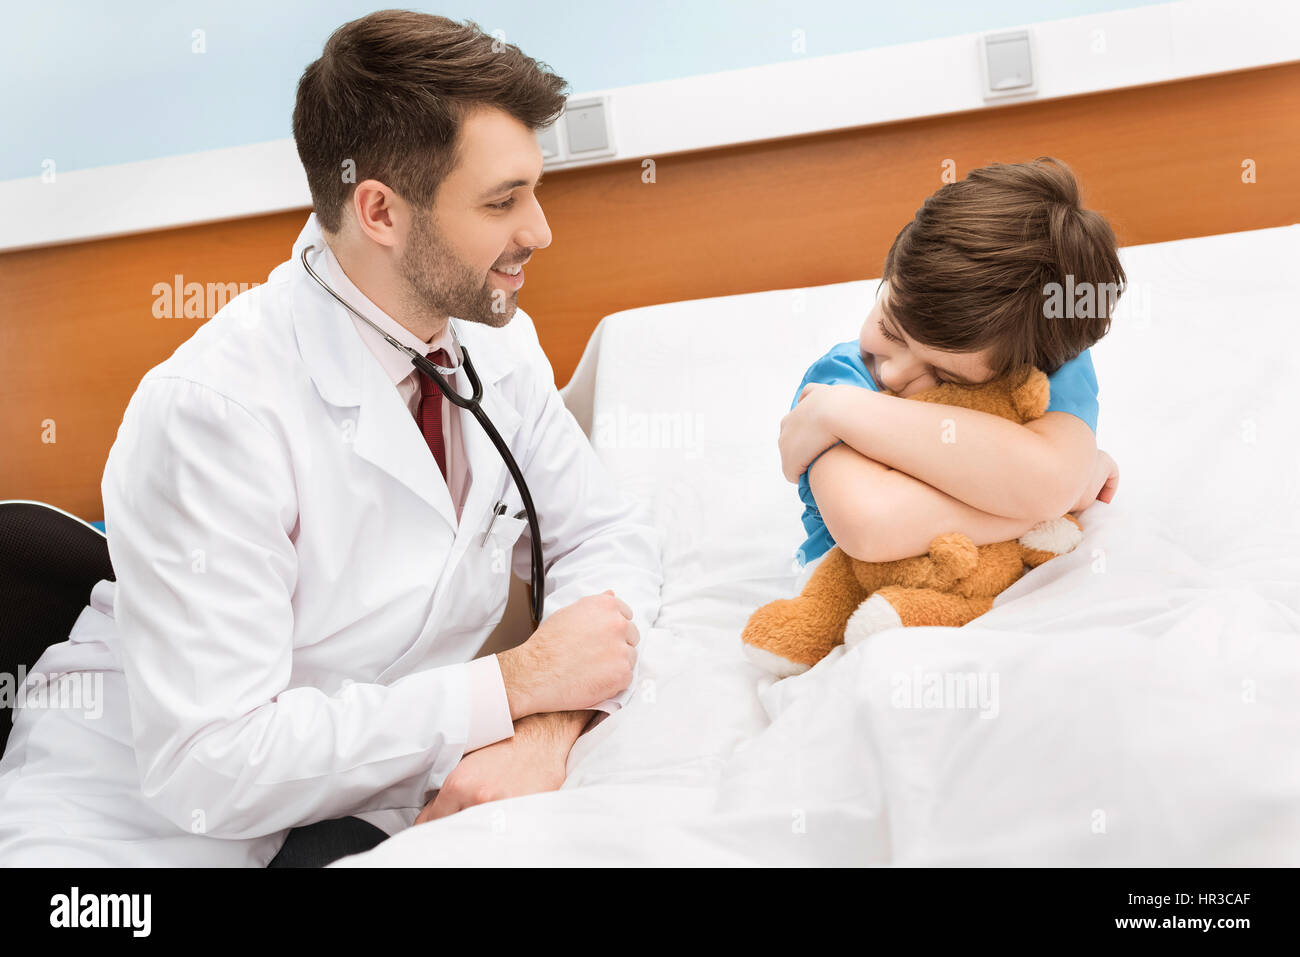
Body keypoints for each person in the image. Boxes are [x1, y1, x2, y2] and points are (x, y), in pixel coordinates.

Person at [0, 10, 661, 867]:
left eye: (535, 190)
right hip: (137, 833)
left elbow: (607, 541)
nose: (540, 230)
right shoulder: (210, 413)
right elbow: (209, 768)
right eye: (503, 200)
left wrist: (543, 730)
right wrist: (515, 683)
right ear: (380, 210)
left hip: (360, 806)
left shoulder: (493, 343)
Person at [779, 158, 1122, 569]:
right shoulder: (843, 374)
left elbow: (1050, 483)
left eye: (942, 375)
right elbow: (872, 527)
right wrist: (1067, 490)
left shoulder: (1046, 356)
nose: (892, 373)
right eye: (890, 330)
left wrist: (840, 411)